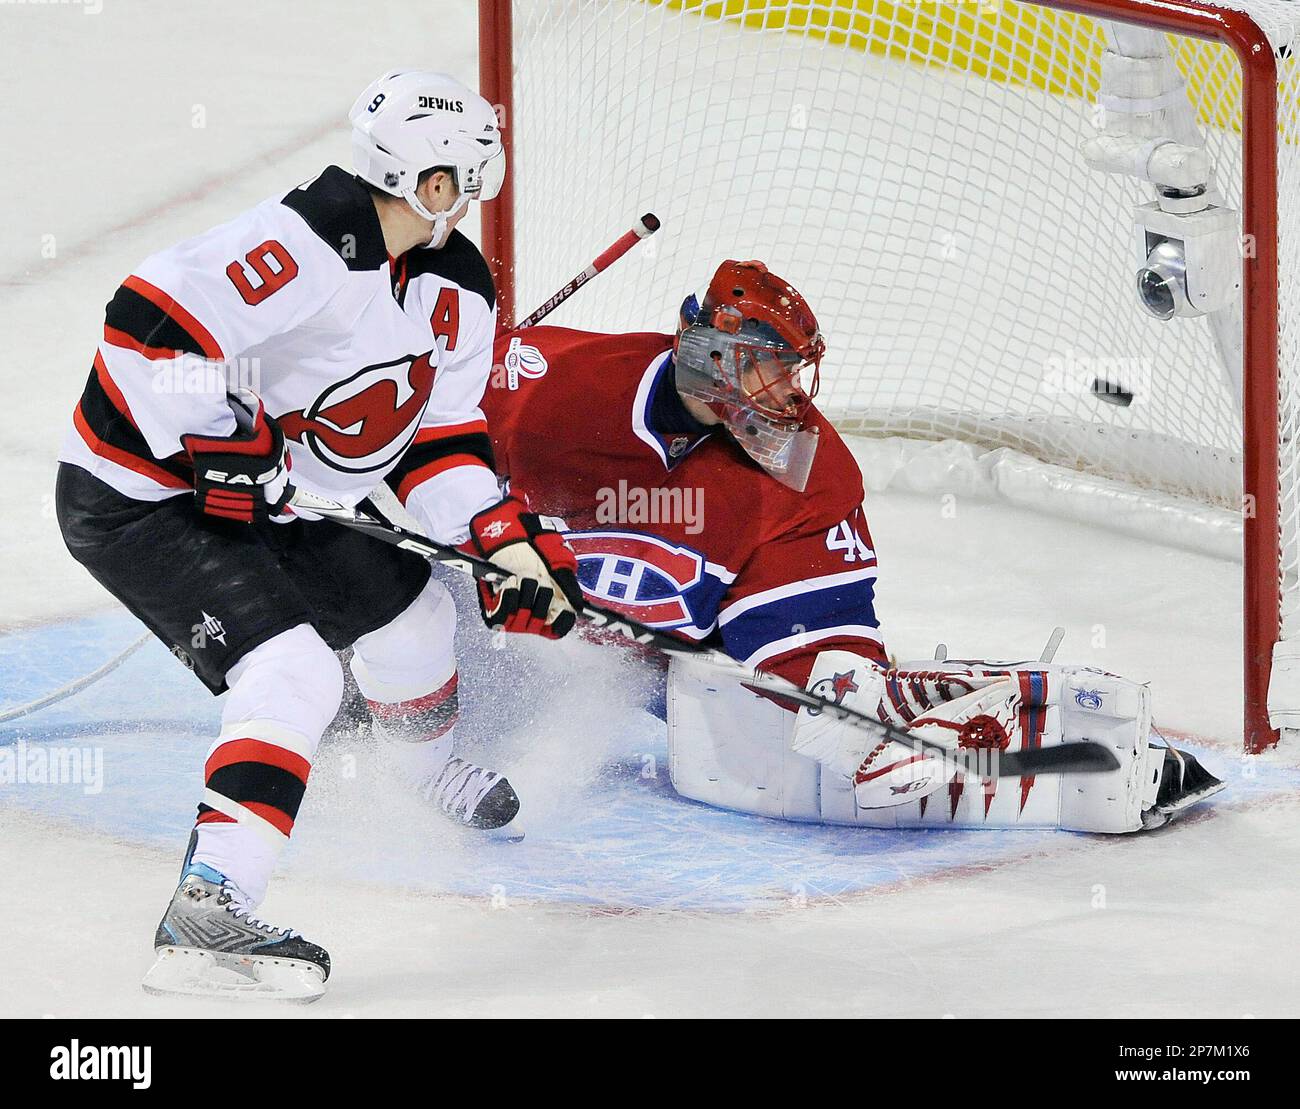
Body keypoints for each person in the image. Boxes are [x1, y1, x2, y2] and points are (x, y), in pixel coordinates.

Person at [55, 70, 582, 1002]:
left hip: (282, 499)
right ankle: (208, 909)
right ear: (431, 185)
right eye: (467, 177)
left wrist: (503, 540)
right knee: (295, 671)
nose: (474, 196)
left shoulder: (454, 288)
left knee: (417, 624)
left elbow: (442, 438)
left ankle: (423, 775)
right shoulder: (301, 245)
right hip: (139, 496)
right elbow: (141, 334)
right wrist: (227, 433)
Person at [482, 260, 1223, 835]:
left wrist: (849, 709)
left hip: (669, 674)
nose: (787, 394)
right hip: (506, 640)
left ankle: (1052, 743)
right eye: (767, 368)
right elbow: (407, 433)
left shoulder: (807, 470)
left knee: (825, 720)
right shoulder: (544, 387)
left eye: (793, 371)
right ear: (711, 353)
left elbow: (815, 663)